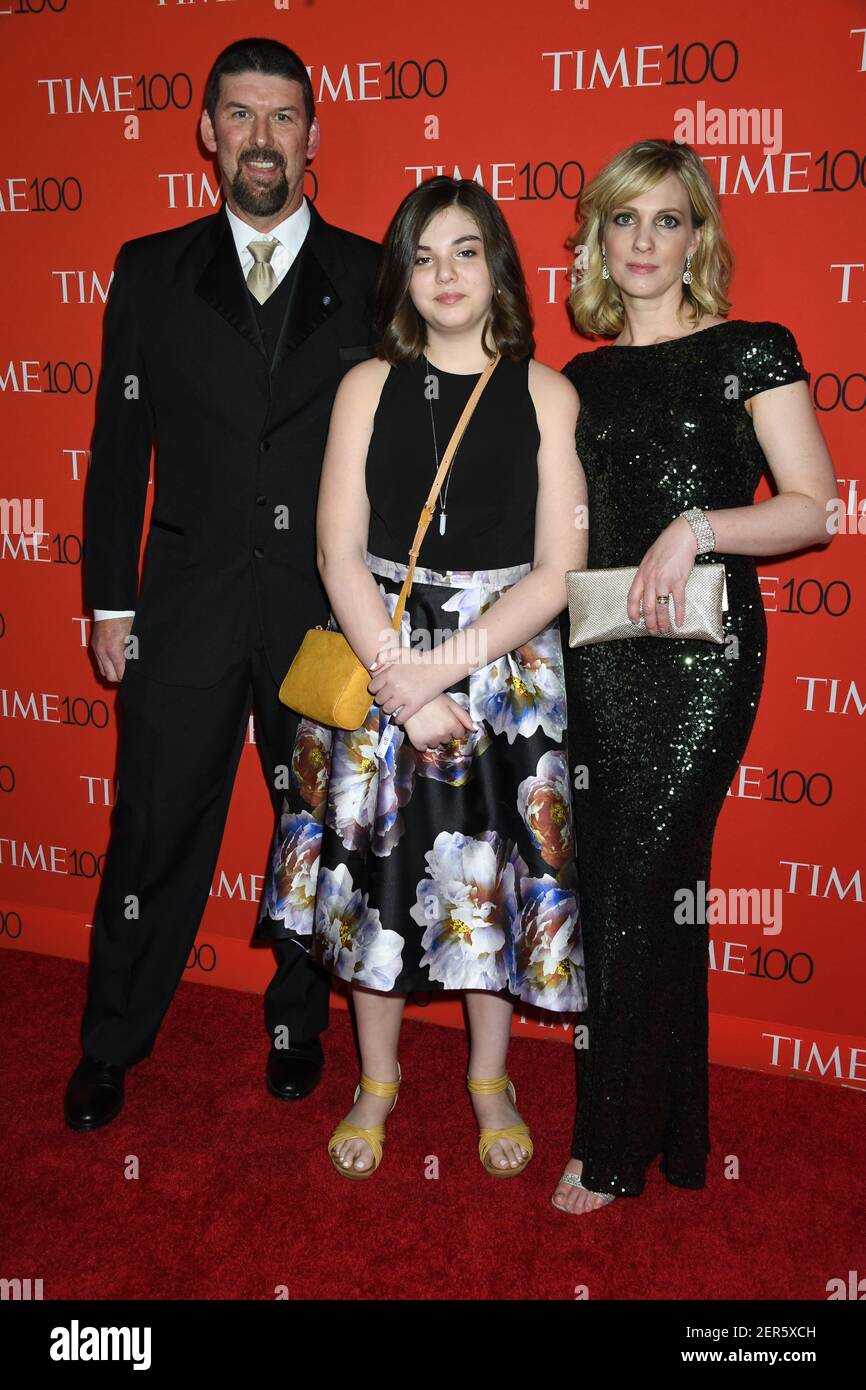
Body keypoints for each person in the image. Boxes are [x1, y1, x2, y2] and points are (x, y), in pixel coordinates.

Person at [65, 38, 380, 1131]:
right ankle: (112, 1039)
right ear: (206, 131)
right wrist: (110, 601)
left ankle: (299, 1025)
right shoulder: (148, 269)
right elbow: (118, 449)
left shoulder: (370, 272)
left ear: (311, 137)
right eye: (239, 116)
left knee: (310, 827)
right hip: (183, 607)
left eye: (282, 117)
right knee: (152, 826)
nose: (260, 138)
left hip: (319, 612)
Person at [255, 176, 588, 1178]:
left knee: (486, 878)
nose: (445, 274)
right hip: (376, 647)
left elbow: (560, 569)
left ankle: (491, 1075)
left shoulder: (545, 391)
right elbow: (334, 550)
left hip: (502, 665)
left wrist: (441, 673)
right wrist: (401, 680)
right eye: (423, 255)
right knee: (374, 883)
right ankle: (376, 1079)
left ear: (497, 269)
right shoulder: (365, 386)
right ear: (399, 274)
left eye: (465, 251)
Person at [552, 139, 838, 1213]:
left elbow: (810, 506)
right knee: (632, 889)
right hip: (597, 653)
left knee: (643, 879)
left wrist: (697, 525)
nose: (640, 242)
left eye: (664, 220)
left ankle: (608, 1148)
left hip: (702, 660)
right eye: (621, 221)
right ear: (594, 239)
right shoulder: (575, 378)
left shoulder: (751, 348)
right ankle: (676, 1128)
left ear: (695, 238)